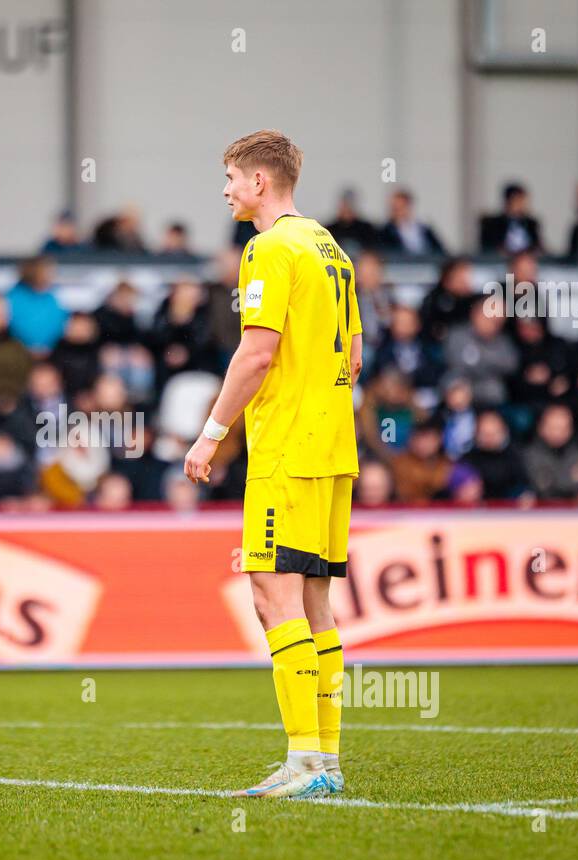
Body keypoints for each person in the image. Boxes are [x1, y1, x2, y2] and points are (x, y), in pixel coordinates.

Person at [183, 129, 361, 800]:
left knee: (270, 596)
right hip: (333, 444)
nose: (226, 189)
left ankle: (304, 765)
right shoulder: (330, 247)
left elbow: (256, 353)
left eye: (231, 176)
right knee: (317, 602)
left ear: (261, 182)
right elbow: (355, 358)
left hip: (286, 446)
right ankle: (326, 762)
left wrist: (211, 433)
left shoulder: (269, 247)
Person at [479, 182, 543, 254]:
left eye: (522, 201)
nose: (520, 205)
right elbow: (488, 248)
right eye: (517, 201)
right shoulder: (491, 224)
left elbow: (538, 247)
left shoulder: (531, 223)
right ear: (507, 201)